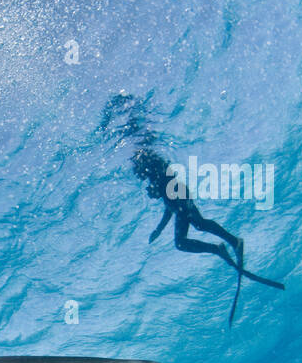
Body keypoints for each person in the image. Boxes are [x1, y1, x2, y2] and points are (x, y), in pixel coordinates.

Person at [101, 95, 286, 325]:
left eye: (137, 170)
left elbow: (171, 191)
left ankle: (233, 241)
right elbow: (170, 206)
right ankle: (219, 247)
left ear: (140, 162)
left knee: (197, 222)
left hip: (180, 194)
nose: (137, 175)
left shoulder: (151, 164)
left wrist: (159, 191)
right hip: (178, 199)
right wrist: (159, 228)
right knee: (180, 242)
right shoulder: (153, 177)